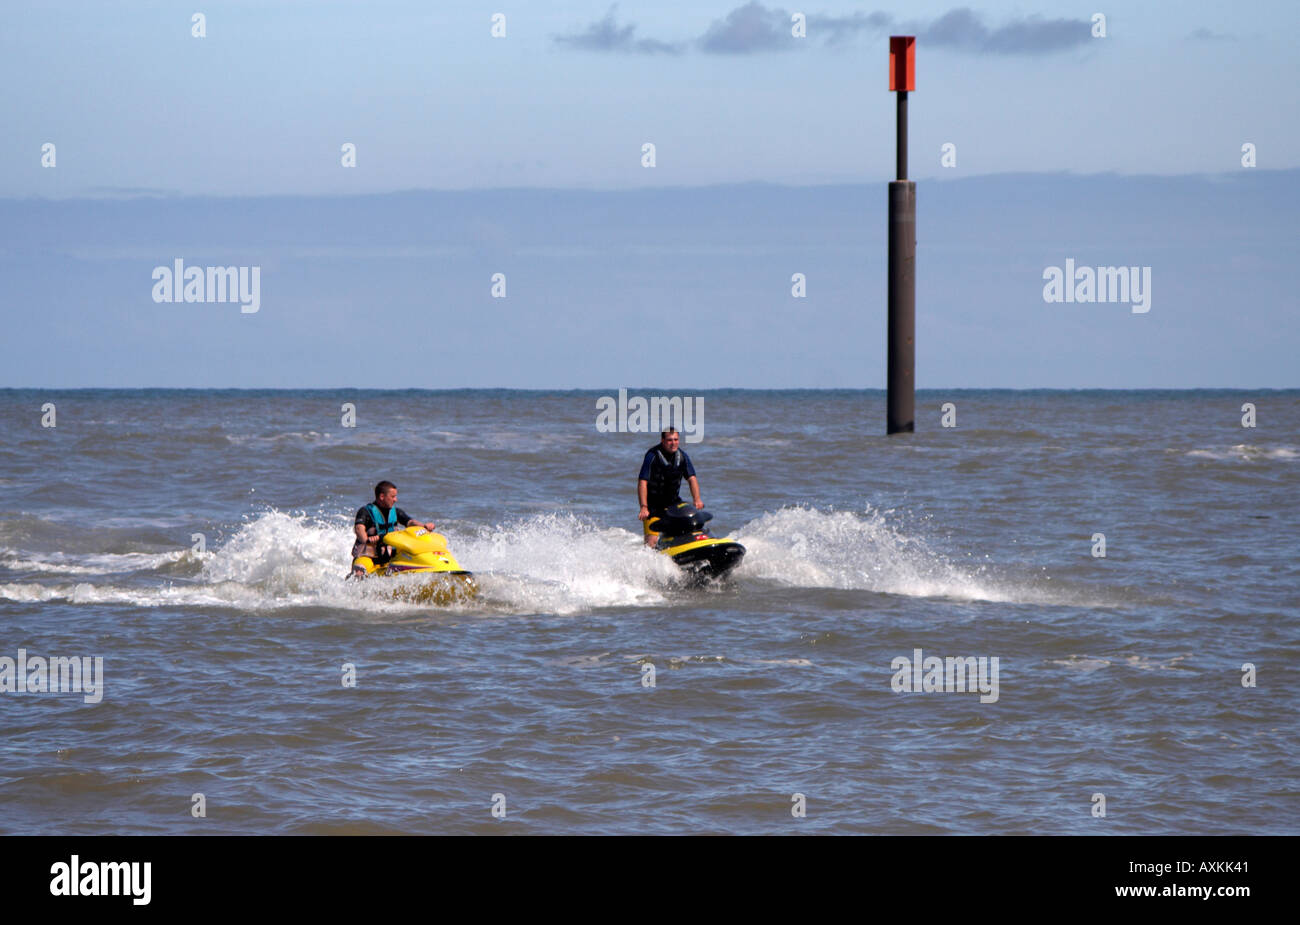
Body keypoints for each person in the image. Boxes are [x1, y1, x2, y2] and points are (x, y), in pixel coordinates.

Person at [350, 481, 436, 576]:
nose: (396, 500)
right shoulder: (365, 512)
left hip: (389, 558)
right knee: (359, 573)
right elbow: (359, 529)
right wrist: (367, 540)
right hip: (368, 558)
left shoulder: (396, 512)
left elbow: (410, 522)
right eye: (393, 496)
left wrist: (423, 526)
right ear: (382, 497)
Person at [637, 428, 703, 546]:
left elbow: (692, 479)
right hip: (653, 507)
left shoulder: (682, 456)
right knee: (651, 542)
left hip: (673, 504)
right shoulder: (652, 456)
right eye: (669, 440)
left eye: (676, 440)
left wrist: (697, 500)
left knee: (691, 527)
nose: (673, 443)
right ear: (662, 440)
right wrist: (643, 507)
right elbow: (642, 481)